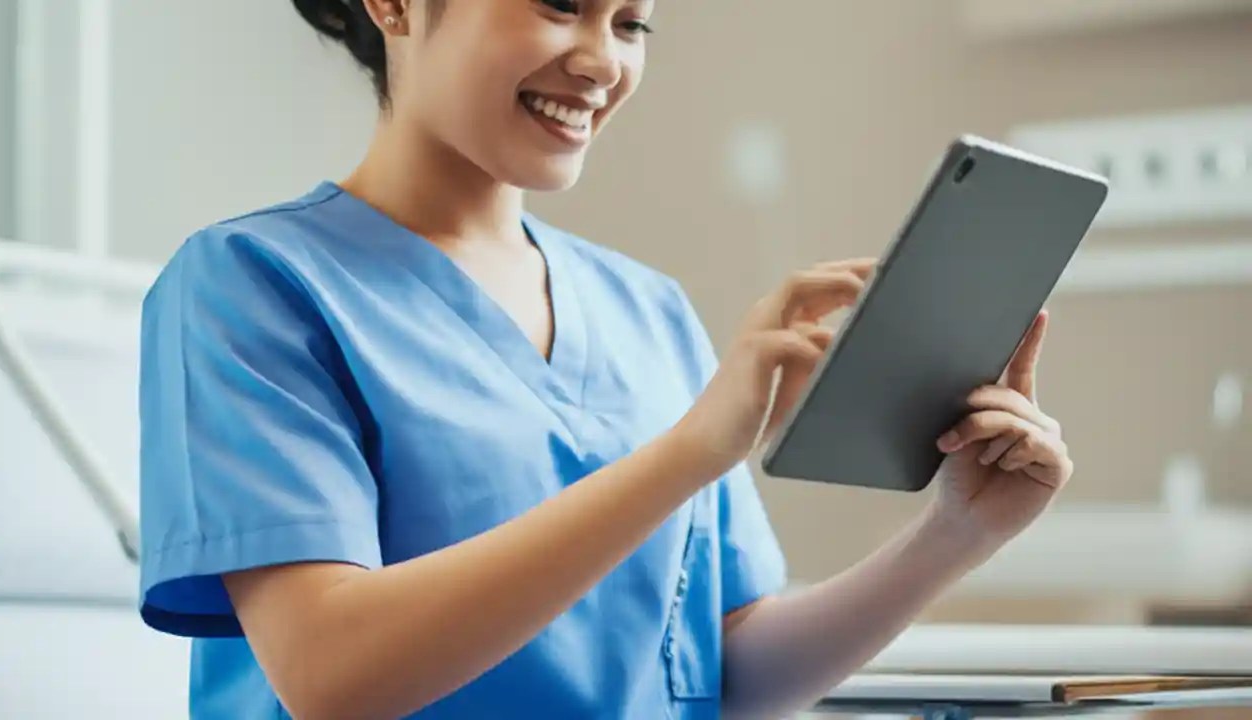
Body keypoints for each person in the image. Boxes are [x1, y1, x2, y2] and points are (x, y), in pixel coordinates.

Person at [136, 1, 1073, 718]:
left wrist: (957, 534)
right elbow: (330, 676)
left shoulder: (647, 310)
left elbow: (725, 673)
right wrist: (688, 454)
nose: (601, 61)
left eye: (631, 22)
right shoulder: (251, 285)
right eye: (557, 4)